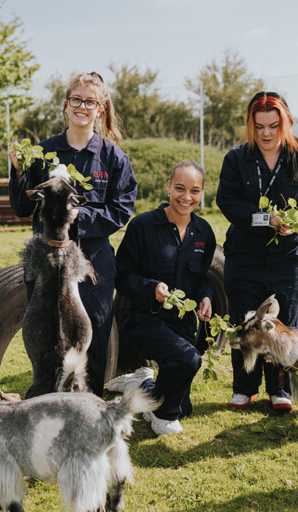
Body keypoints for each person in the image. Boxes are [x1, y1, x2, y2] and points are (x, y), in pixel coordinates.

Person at [8, 71, 137, 397]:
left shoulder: (113, 158)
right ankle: (48, 406)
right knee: (46, 338)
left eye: (90, 101)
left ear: (100, 108)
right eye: (76, 100)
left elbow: (122, 209)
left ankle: (89, 412)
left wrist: (80, 215)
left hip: (92, 265)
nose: (82, 106)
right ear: (66, 105)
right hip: (46, 261)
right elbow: (22, 208)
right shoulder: (43, 153)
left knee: (89, 337)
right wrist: (18, 171)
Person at [216, 91, 298, 412]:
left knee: (284, 324)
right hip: (244, 257)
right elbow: (227, 202)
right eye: (259, 126)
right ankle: (243, 387)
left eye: (273, 125)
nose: (266, 133)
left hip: (288, 259)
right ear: (250, 126)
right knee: (246, 322)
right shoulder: (236, 158)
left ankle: (280, 389)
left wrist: (297, 223)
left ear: (286, 123)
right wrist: (265, 218)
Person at [107, 161, 216, 436]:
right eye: (179, 188)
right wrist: (151, 288)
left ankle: (142, 385)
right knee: (188, 361)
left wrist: (205, 297)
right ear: (169, 187)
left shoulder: (204, 232)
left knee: (185, 405)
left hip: (182, 324)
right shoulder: (143, 226)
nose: (186, 197)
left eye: (194, 190)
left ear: (202, 193)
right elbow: (123, 276)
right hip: (144, 318)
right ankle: (161, 415)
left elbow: (203, 277)